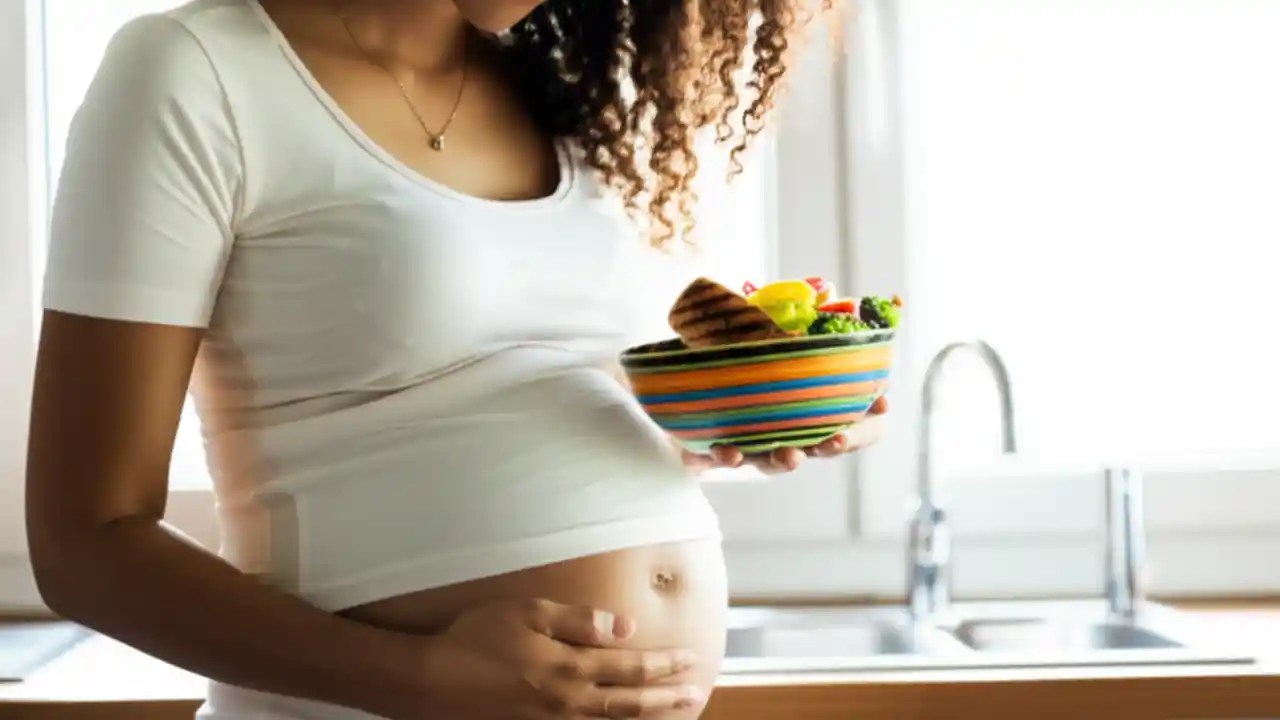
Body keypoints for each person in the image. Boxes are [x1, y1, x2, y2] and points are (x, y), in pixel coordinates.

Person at [25, 0, 885, 718]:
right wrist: (421, 679)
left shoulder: (568, 91)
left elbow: (527, 409)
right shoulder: (195, 70)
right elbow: (85, 544)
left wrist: (761, 413)